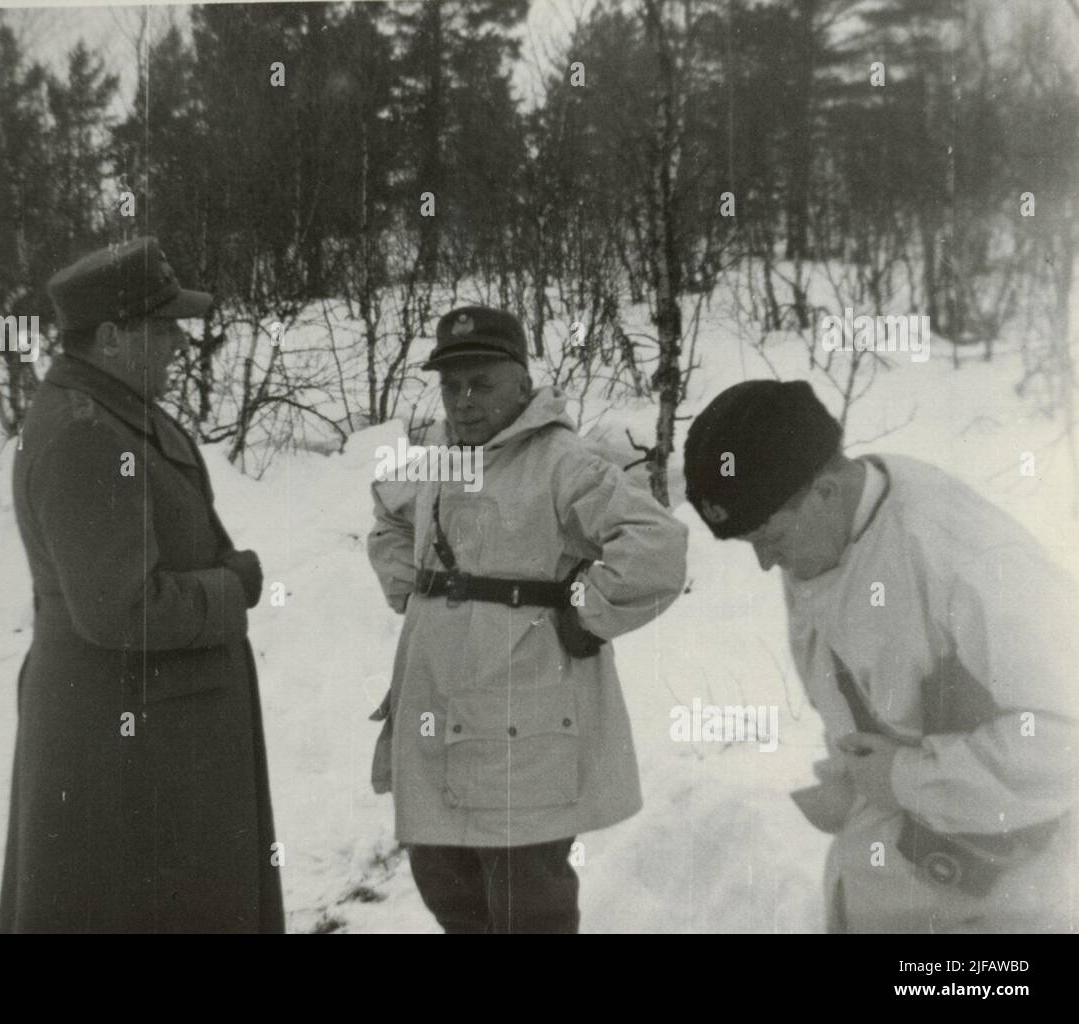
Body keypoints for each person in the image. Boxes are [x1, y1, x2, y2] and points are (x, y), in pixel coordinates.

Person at [683, 378, 1078, 932]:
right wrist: (854, 778)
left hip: (993, 912)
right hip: (893, 880)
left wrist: (904, 779)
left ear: (825, 490)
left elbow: (1064, 743)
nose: (766, 564)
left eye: (769, 538)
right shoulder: (821, 536)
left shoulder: (968, 557)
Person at [366, 305, 688, 933]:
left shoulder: (561, 461)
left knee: (525, 893)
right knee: (442, 873)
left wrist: (585, 614)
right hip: (435, 697)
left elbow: (656, 546)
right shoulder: (438, 451)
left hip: (525, 710)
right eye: (450, 385)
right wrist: (415, 592)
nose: (462, 401)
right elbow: (389, 514)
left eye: (480, 384)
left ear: (521, 383)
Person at [0, 237, 284, 932]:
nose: (180, 343)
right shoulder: (85, 436)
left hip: (148, 730)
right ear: (113, 336)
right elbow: (124, 612)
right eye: (163, 327)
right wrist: (230, 588)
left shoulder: (112, 408)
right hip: (124, 745)